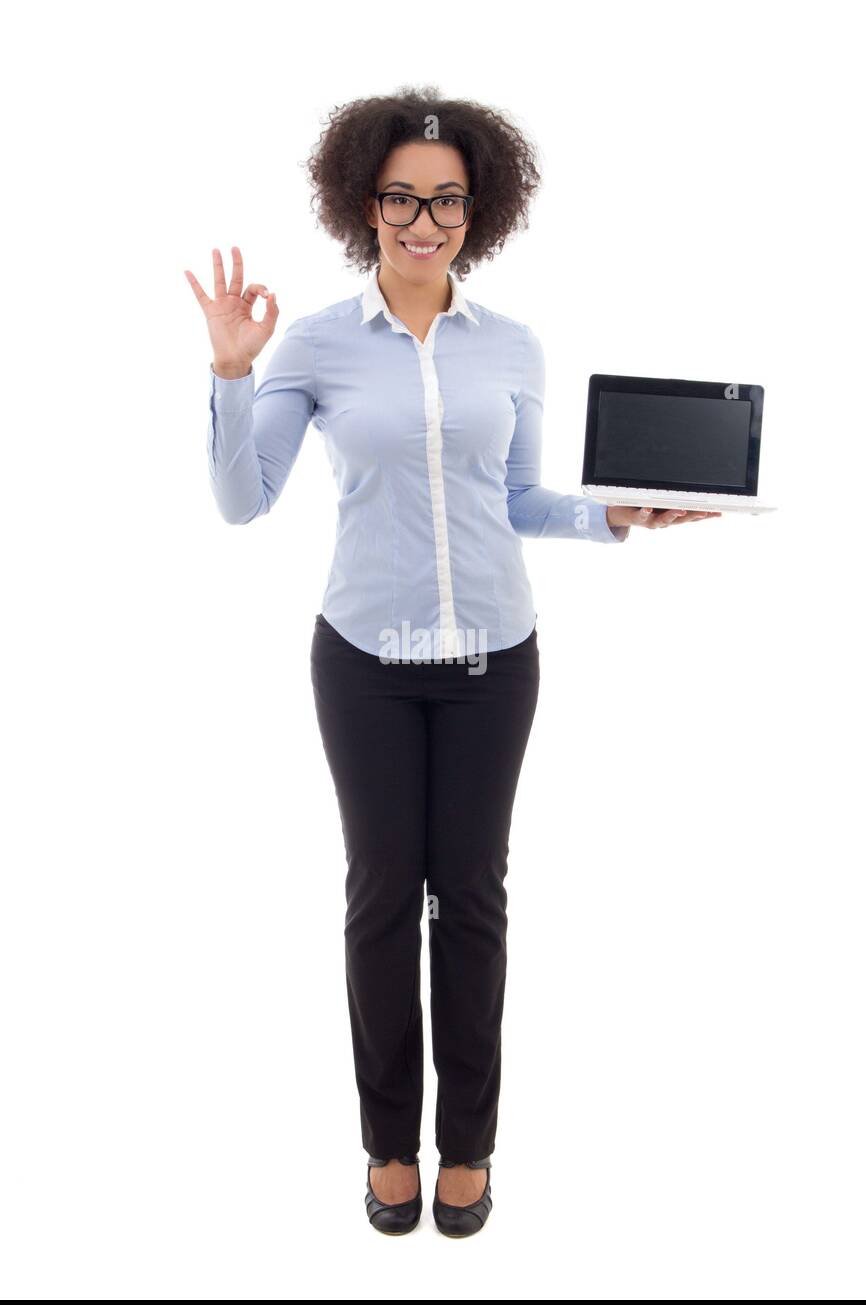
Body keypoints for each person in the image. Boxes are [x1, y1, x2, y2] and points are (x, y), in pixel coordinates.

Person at [184, 86, 720, 1239]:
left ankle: (466, 1149)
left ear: (477, 209)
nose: (422, 221)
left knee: (469, 899)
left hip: (493, 659)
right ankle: (388, 1147)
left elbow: (517, 497)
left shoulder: (512, 346)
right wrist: (232, 372)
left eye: (445, 200)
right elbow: (243, 502)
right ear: (360, 204)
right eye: (399, 198)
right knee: (382, 897)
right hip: (365, 660)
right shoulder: (316, 346)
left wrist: (614, 515)